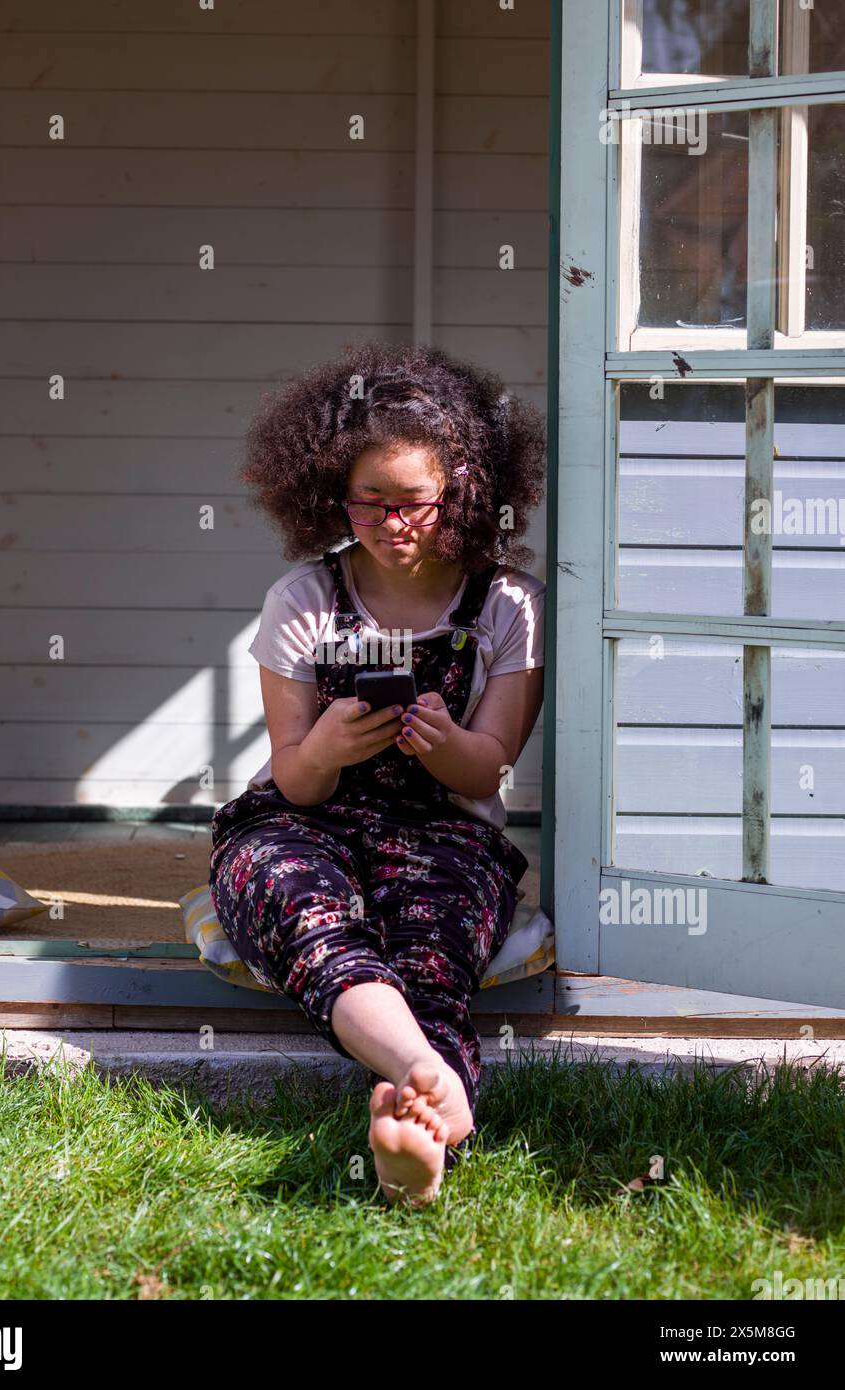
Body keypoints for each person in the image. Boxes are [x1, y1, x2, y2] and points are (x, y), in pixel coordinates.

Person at [209, 342, 546, 1206]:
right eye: (372, 503)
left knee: (432, 948)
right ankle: (424, 1078)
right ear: (333, 497)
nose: (396, 524)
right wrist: (325, 746)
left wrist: (443, 745)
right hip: (303, 820)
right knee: (301, 903)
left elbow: (492, 759)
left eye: (416, 503)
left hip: (446, 827)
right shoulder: (303, 599)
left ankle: (417, 1135)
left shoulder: (507, 605)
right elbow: (296, 781)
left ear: (462, 493)